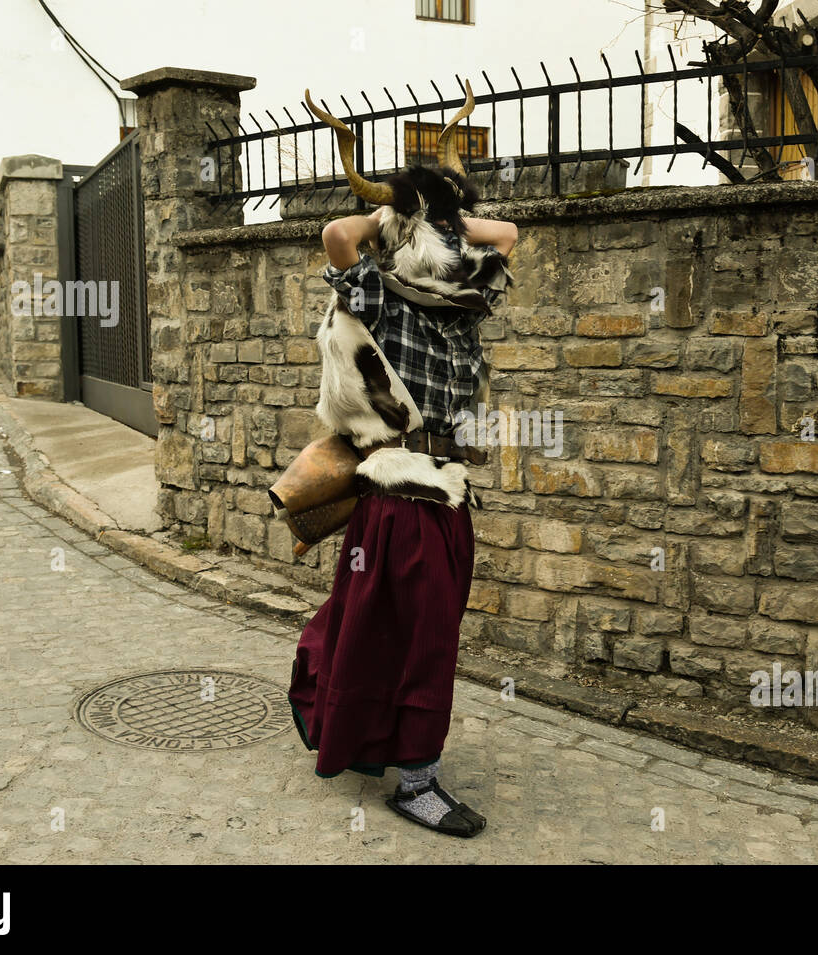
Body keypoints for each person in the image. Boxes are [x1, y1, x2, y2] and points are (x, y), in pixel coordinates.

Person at [286, 85, 517, 838]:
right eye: (441, 227)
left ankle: (342, 711)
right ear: (414, 233)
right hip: (397, 495)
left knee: (397, 625)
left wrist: (441, 194)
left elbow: (506, 231)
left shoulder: (469, 299)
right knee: (411, 635)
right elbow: (335, 232)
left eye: (454, 226)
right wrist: (397, 204)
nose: (458, 238)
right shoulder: (381, 298)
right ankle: (414, 781)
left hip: (446, 495)